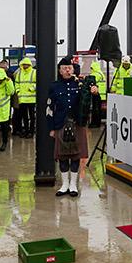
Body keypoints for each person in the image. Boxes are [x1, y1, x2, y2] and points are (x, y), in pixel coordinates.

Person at [47, 57, 86, 197]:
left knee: (75, 155)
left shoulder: (80, 84)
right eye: (64, 68)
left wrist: (90, 86)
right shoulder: (54, 86)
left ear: (73, 69)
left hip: (76, 123)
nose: (67, 70)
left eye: (69, 68)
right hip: (60, 123)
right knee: (62, 156)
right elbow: (49, 108)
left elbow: (88, 97)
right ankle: (64, 185)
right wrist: (51, 128)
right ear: (60, 71)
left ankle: (73, 185)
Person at [12, 56, 37, 138]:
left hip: (31, 99)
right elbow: (16, 83)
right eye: (24, 64)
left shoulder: (34, 72)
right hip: (22, 99)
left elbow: (38, 82)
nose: (25, 66)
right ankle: (26, 131)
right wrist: (18, 91)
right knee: (24, 116)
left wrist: (32, 89)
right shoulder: (19, 73)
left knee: (32, 117)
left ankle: (31, 132)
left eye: (27, 64)